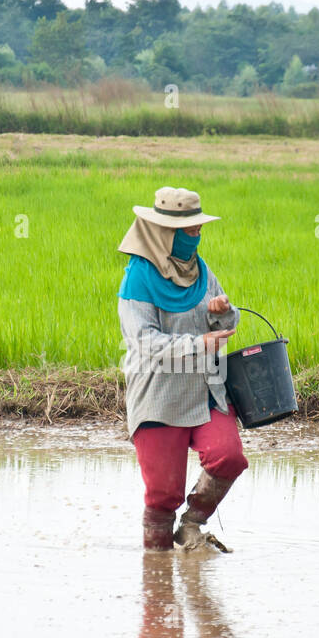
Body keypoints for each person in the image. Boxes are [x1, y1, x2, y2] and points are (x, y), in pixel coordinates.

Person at [117, 186, 248, 551]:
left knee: (228, 457)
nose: (196, 236)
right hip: (159, 396)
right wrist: (199, 344)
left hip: (205, 389)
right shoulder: (138, 281)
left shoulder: (201, 271)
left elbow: (223, 326)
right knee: (162, 497)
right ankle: (156, 577)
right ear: (165, 233)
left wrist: (222, 313)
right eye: (189, 231)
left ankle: (191, 525)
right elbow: (145, 342)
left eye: (198, 229)